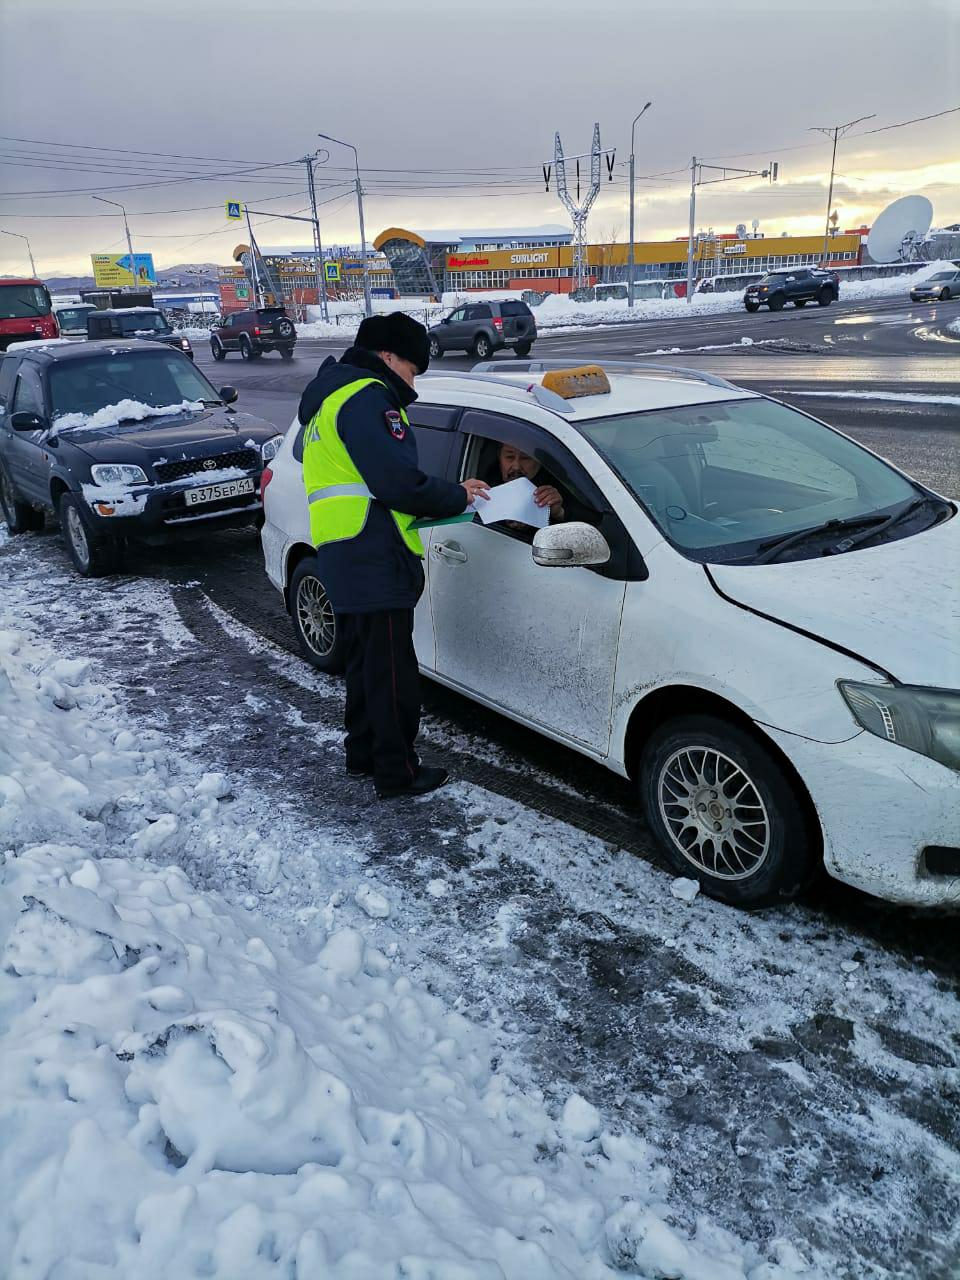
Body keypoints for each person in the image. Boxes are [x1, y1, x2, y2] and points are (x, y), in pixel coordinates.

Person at [297, 312, 489, 800]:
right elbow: (399, 483)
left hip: (343, 549)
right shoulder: (367, 398)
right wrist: (459, 495)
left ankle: (363, 754)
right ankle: (397, 771)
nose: (413, 379)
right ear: (387, 356)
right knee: (392, 671)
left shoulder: (332, 398)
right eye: (411, 367)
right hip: (372, 549)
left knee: (365, 665)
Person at [482, 442, 567, 532]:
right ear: (499, 459)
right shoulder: (483, 491)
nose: (516, 467)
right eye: (509, 457)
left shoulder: (557, 491)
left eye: (525, 458)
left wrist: (559, 514)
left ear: (539, 462)